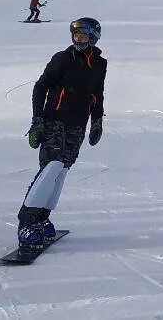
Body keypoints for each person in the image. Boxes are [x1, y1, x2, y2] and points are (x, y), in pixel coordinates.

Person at [17, 18, 107, 246]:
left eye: (84, 36)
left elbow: (97, 94)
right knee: (51, 166)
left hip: (78, 124)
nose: (79, 39)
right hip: (54, 120)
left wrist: (97, 121)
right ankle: (26, 223)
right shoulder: (63, 58)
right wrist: (37, 119)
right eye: (76, 35)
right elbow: (41, 87)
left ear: (94, 37)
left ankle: (41, 218)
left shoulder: (99, 64)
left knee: (63, 169)